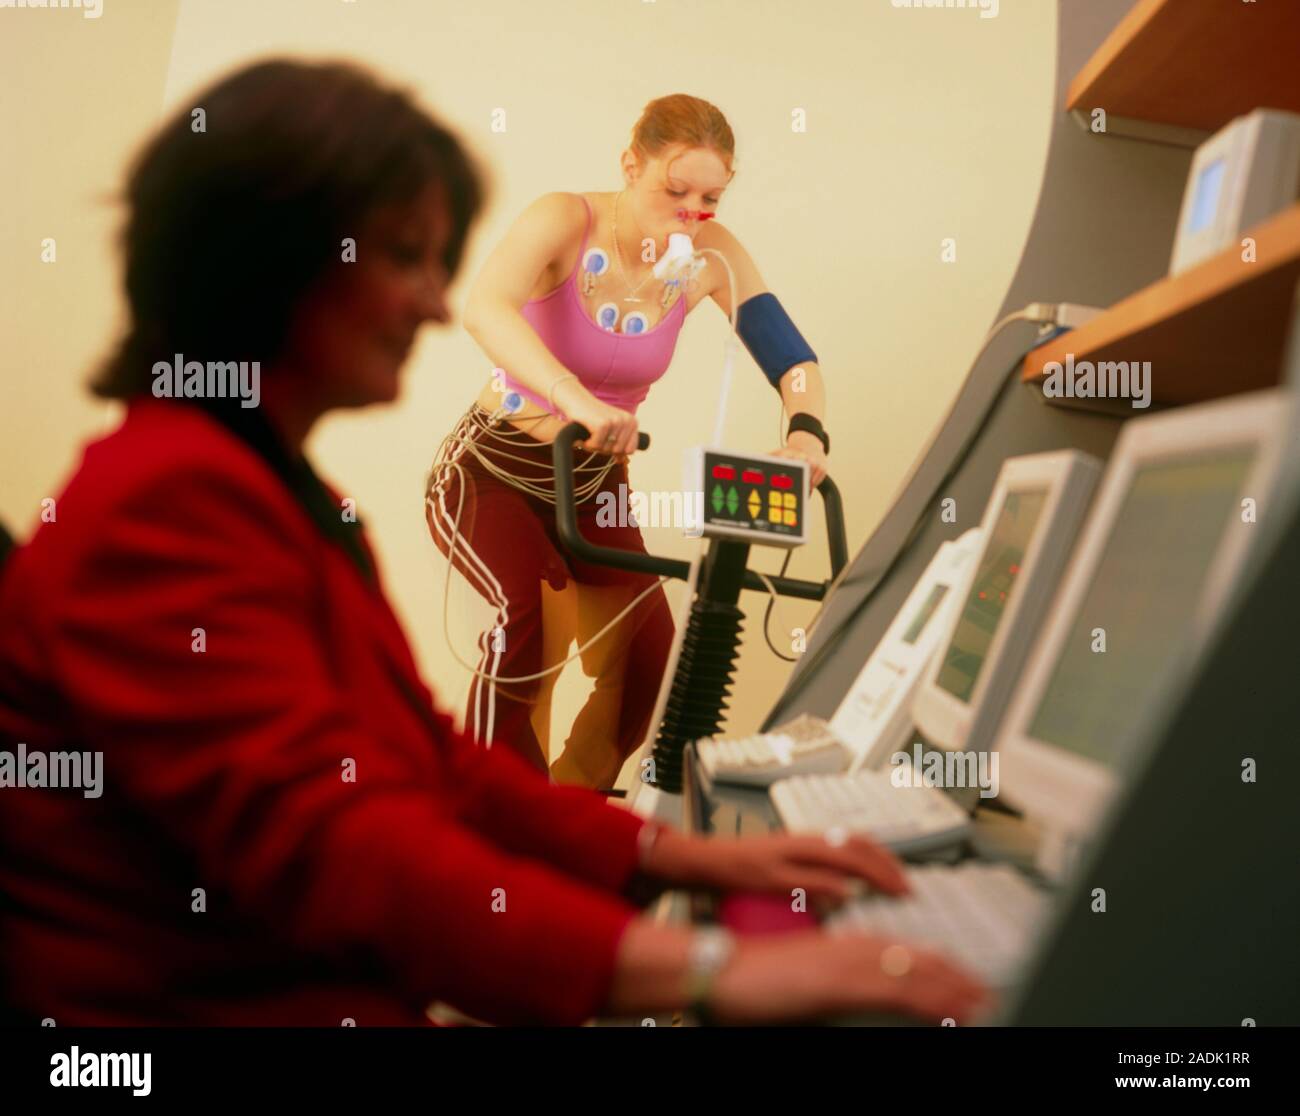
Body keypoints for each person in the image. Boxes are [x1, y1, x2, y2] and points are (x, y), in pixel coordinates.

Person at [0, 58, 986, 1026]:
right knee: (523, 634)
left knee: (646, 645)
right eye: (402, 258)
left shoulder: (265, 491)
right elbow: (347, 849)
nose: (435, 303)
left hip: (322, 973)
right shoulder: (161, 507)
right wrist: (704, 968)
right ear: (271, 259)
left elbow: (419, 762)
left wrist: (677, 856)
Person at [427, 94, 832, 788]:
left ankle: (571, 813)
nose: (692, 212)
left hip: (593, 487)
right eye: (675, 190)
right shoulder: (565, 218)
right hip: (494, 468)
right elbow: (484, 307)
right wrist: (573, 398)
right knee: (531, 621)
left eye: (711, 197)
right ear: (629, 165)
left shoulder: (712, 255)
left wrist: (806, 433)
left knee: (651, 655)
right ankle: (492, 816)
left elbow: (791, 358)